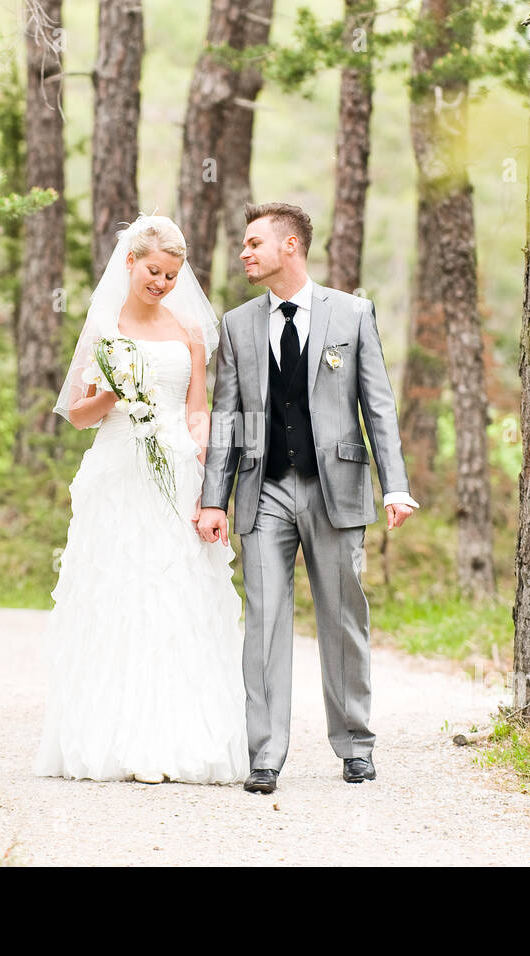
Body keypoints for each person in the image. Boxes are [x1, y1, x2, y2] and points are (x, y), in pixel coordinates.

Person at [196, 202, 418, 794]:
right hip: (262, 489)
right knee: (264, 619)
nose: (244, 253)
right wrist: (214, 498)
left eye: (253, 243)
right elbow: (225, 418)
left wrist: (395, 485)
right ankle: (265, 753)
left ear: (289, 246)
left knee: (343, 616)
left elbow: (379, 407)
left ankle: (355, 743)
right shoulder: (238, 324)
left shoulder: (352, 313)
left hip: (335, 488)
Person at [32, 215, 248, 785]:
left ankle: (175, 738)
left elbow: (199, 408)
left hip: (177, 472)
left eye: (173, 275)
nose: (163, 282)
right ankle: (110, 737)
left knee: (176, 592)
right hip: (118, 472)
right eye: (155, 271)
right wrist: (113, 394)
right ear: (130, 262)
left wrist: (207, 485)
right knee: (118, 590)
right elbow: (76, 415)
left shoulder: (190, 331)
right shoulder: (103, 326)